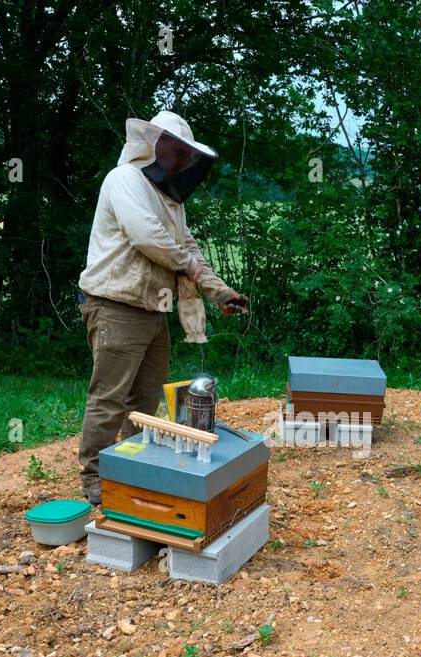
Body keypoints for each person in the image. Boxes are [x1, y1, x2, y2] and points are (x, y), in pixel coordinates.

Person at [76, 110, 248, 505]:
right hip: (116, 306)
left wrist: (219, 291)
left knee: (145, 399)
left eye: (186, 155)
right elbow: (147, 238)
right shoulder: (123, 181)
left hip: (155, 310)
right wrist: (195, 271)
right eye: (176, 151)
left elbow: (187, 248)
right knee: (110, 397)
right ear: (151, 144)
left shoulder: (170, 200)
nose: (182, 161)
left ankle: (132, 466)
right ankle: (96, 479)